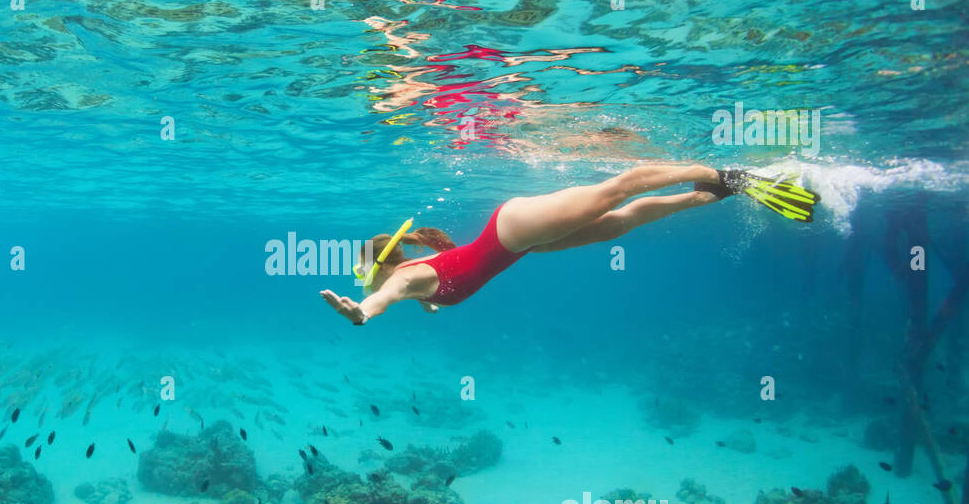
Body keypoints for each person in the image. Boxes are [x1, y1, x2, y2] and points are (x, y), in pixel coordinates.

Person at [320, 164, 818, 325]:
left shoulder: (403, 281)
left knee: (614, 192)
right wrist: (417, 300)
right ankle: (714, 194)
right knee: (619, 223)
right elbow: (423, 290)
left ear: (384, 270)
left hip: (512, 230)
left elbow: (386, 297)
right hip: (520, 245)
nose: (367, 285)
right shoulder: (416, 280)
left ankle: (731, 174)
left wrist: (363, 312)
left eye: (365, 277)